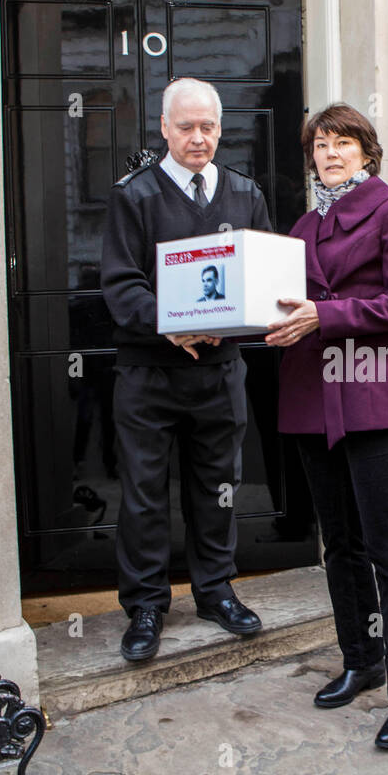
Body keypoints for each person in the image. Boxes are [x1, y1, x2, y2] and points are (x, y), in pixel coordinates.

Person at [265, 103, 388, 750]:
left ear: (367, 152)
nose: (331, 152)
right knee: (338, 544)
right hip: (311, 396)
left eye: (344, 142)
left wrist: (325, 315)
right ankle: (361, 659)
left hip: (368, 395)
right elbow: (283, 305)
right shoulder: (301, 226)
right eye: (320, 144)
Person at [101, 77, 268, 662]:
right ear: (164, 129)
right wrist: (170, 323)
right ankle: (146, 606)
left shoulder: (246, 194)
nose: (198, 138)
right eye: (186, 127)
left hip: (220, 372)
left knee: (217, 487)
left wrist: (235, 321)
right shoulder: (135, 196)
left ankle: (216, 592)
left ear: (221, 129)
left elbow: (264, 279)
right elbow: (120, 286)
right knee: (144, 495)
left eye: (209, 127)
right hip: (148, 373)